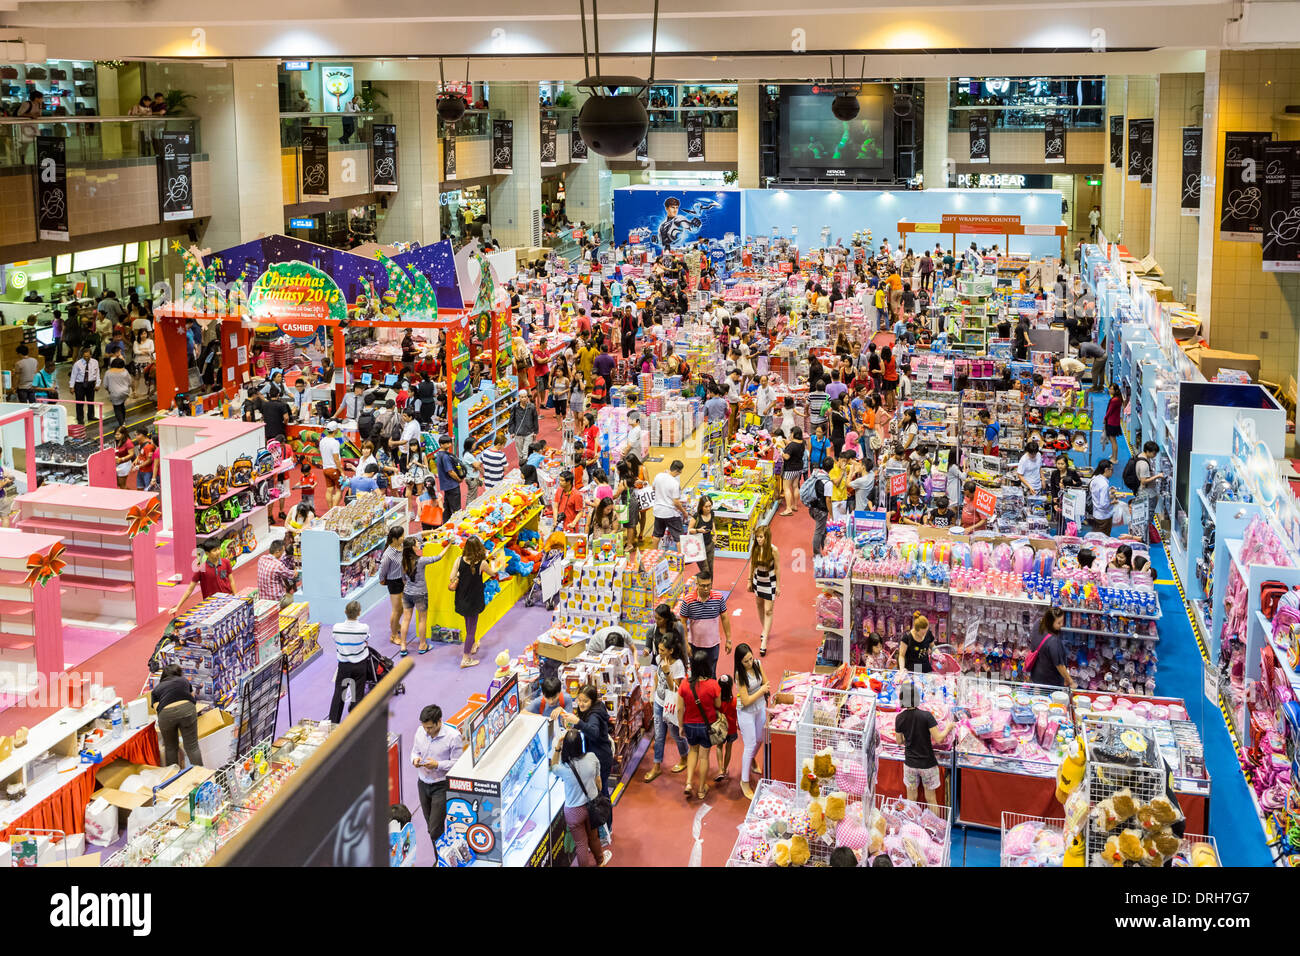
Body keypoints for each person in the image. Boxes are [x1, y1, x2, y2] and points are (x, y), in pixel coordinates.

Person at [552, 728, 611, 866]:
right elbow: (599, 784)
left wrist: (557, 747)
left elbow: (553, 766)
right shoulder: (591, 758)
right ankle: (600, 861)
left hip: (573, 811)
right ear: (580, 743)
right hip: (591, 807)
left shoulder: (564, 768)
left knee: (580, 844)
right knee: (593, 837)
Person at [894, 680, 950, 815]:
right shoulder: (926, 716)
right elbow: (939, 738)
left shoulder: (899, 718)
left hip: (910, 764)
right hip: (927, 764)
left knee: (911, 799)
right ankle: (934, 829)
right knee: (931, 798)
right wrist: (949, 727)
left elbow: (899, 741)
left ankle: (911, 828)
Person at [411, 705, 464, 845]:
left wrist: (438, 765)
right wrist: (414, 759)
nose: (427, 731)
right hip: (422, 783)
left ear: (439, 722)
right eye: (424, 727)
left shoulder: (453, 737)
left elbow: (458, 763)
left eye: (430, 728)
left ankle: (443, 858)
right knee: (431, 828)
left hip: (441, 786)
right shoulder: (420, 732)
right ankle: (441, 857)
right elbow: (415, 751)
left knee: (434, 829)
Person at [645, 627, 690, 782]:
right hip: (659, 703)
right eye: (658, 649)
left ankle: (685, 757)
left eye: (662, 650)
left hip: (671, 706)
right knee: (658, 736)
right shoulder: (658, 659)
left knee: (676, 735)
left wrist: (667, 672)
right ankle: (656, 766)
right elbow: (656, 679)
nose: (659, 652)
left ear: (671, 651)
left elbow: (675, 689)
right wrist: (653, 693)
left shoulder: (678, 666)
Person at [678, 648, 721, 800]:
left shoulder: (684, 684)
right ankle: (702, 789)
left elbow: (680, 708)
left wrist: (681, 726)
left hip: (689, 724)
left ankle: (689, 783)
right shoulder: (714, 685)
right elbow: (718, 704)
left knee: (692, 751)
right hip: (706, 726)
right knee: (704, 756)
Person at [677, 569, 732, 676]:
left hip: (713, 645)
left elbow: (725, 617)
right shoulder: (688, 600)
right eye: (702, 586)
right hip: (694, 645)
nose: (706, 588)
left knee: (711, 673)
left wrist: (728, 639)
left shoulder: (718, 597)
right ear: (697, 584)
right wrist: (686, 644)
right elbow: (682, 621)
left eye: (708, 585)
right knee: (696, 674)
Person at [733, 643, 769, 800]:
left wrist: (763, 693)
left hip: (760, 707)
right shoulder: (739, 675)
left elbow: (766, 684)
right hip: (746, 713)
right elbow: (746, 701)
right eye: (746, 661)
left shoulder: (757, 664)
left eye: (750, 658)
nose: (749, 663)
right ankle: (744, 781)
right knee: (750, 744)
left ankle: (752, 759)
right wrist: (760, 691)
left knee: (761, 738)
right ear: (740, 662)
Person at [400, 536, 447, 656]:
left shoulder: (403, 561)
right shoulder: (420, 561)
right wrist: (448, 546)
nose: (419, 544)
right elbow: (438, 557)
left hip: (407, 593)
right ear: (413, 548)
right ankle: (422, 645)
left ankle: (403, 646)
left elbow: (404, 579)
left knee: (406, 619)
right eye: (417, 543)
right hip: (421, 593)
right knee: (422, 620)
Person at [151, 663, 204, 768]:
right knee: (192, 746)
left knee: (170, 748)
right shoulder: (183, 681)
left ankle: (173, 777)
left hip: (166, 715)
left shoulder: (157, 689)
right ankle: (201, 777)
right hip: (187, 709)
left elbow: (157, 708)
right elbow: (192, 697)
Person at [329, 599, 372, 723]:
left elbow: (335, 640)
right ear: (359, 613)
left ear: (345, 612)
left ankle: (333, 723)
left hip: (343, 666)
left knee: (339, 694)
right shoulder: (364, 628)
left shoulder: (336, 628)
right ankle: (355, 722)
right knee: (357, 694)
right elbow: (366, 640)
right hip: (360, 665)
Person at [451, 534, 490, 668]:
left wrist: (458, 576)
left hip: (462, 598)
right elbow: (492, 573)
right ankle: (466, 658)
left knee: (468, 625)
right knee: (471, 630)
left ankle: (472, 645)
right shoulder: (482, 563)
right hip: (474, 600)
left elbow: (452, 577)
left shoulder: (458, 560)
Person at [171, 542, 233, 613]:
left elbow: (231, 581)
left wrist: (235, 596)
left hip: (227, 599)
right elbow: (190, 589)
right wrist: (177, 607)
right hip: (211, 605)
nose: (218, 552)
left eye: (219, 549)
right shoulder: (201, 569)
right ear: (207, 553)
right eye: (214, 550)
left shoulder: (226, 562)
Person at [747, 524, 780, 656]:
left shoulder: (773, 550)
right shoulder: (755, 548)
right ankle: (765, 630)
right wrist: (749, 580)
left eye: (761, 537)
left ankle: (764, 640)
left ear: (767, 537)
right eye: (757, 537)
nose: (759, 539)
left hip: (770, 581)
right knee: (759, 605)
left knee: (768, 610)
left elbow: (777, 568)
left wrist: (778, 585)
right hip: (758, 580)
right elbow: (752, 564)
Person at [1028, 607, 1074, 688]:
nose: (1061, 625)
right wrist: (1070, 681)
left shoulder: (1038, 622)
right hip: (1049, 680)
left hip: (1036, 673)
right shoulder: (1053, 641)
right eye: (1058, 623)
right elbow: (1059, 665)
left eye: (1062, 621)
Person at [651, 459, 689, 547]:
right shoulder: (674, 483)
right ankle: (681, 559)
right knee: (679, 538)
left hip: (658, 511)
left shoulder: (659, 475)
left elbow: (653, 487)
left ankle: (654, 556)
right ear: (677, 471)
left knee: (657, 535)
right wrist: (684, 512)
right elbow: (676, 502)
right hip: (670, 513)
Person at [806, 459, 834, 556]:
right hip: (821, 510)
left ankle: (824, 546)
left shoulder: (817, 475)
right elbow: (828, 500)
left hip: (812, 507)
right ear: (832, 468)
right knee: (818, 531)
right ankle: (816, 553)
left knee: (822, 528)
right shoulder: (828, 483)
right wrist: (831, 513)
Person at [256, 539, 297, 603]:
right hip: (276, 599)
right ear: (277, 552)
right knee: (296, 600)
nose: (283, 554)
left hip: (262, 597)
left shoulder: (261, 559)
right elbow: (293, 575)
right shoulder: (278, 565)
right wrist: (295, 569)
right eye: (282, 551)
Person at [435, 433, 465, 518]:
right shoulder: (445, 456)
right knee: (456, 509)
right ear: (441, 444)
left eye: (450, 442)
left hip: (446, 485)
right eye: (447, 443)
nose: (449, 444)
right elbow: (450, 471)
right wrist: (459, 479)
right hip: (452, 485)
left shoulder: (439, 454)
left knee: (447, 507)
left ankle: (446, 524)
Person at [69, 346, 100, 425]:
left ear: (91, 355)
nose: (86, 358)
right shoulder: (77, 364)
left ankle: (91, 415)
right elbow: (73, 375)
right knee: (80, 402)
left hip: (90, 383)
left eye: (87, 356)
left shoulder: (95, 362)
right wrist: (71, 387)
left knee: (91, 401)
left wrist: (97, 384)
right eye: (84, 356)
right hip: (80, 384)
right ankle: (80, 418)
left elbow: (97, 374)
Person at [780, 426, 805, 516]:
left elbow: (787, 456)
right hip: (799, 468)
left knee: (786, 488)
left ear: (793, 434)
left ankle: (788, 508)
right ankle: (794, 505)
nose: (789, 435)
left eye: (791, 433)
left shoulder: (792, 445)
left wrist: (781, 452)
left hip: (790, 469)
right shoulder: (802, 443)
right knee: (795, 487)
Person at [688, 495, 716, 578]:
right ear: (701, 506)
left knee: (711, 569)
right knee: (705, 571)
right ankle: (704, 588)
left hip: (710, 545)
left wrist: (715, 534)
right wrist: (698, 530)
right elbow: (690, 529)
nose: (708, 509)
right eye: (706, 507)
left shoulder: (712, 513)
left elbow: (712, 523)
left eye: (710, 506)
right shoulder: (697, 516)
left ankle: (709, 588)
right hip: (699, 548)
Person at [1090, 459, 1118, 535]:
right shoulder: (1104, 485)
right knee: (1103, 541)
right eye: (1111, 470)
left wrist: (1108, 492)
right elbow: (1104, 504)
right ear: (1106, 470)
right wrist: (1113, 502)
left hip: (1096, 514)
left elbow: (1096, 493)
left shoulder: (1095, 478)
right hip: (1104, 517)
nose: (1113, 472)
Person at [509, 390, 538, 462]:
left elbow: (535, 419)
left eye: (525, 397)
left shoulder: (532, 407)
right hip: (518, 433)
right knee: (520, 454)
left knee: (525, 453)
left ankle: (526, 469)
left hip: (529, 433)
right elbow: (511, 421)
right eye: (522, 397)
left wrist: (535, 431)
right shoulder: (515, 407)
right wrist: (511, 432)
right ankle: (522, 468)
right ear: (519, 398)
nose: (524, 399)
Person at [132, 426, 158, 491]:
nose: (135, 437)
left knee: (148, 491)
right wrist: (136, 459)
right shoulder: (141, 443)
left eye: (136, 435)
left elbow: (149, 460)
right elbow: (141, 453)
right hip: (141, 470)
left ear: (141, 435)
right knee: (139, 488)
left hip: (148, 472)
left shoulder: (149, 446)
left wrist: (138, 466)